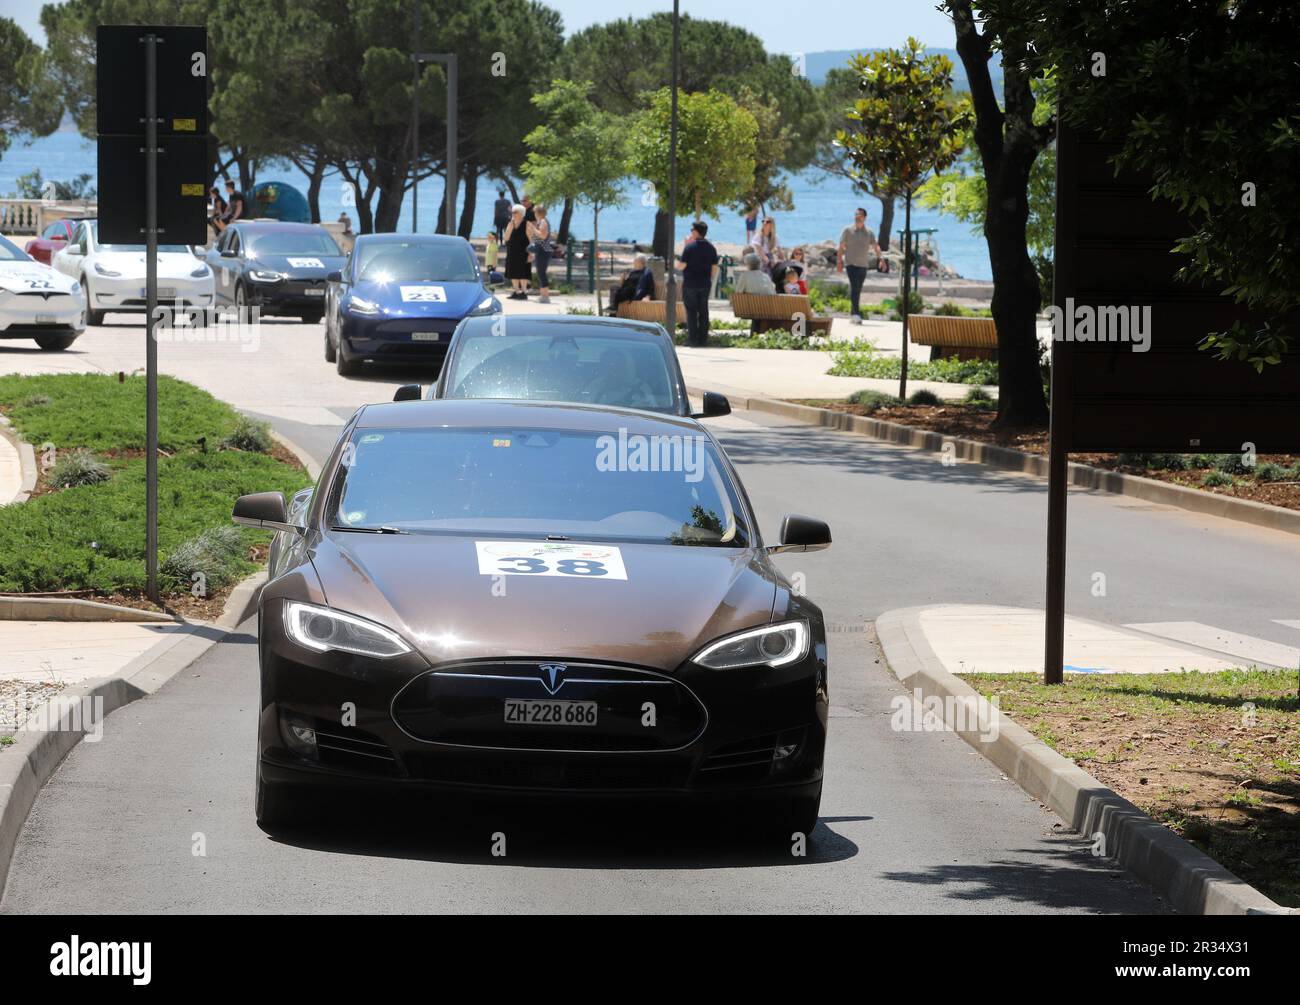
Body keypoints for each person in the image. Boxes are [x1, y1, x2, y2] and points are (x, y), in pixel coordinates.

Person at [676, 220, 719, 347]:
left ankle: (692, 339)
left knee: (691, 312)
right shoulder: (711, 248)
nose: (691, 233)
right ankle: (703, 339)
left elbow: (681, 266)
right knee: (703, 311)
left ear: (696, 232)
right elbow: (714, 268)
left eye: (692, 230)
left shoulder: (689, 247)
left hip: (690, 284)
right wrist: (708, 278)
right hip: (705, 283)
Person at [837, 206, 882, 324]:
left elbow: (875, 246)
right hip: (850, 264)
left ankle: (853, 314)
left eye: (860, 215)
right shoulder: (847, 230)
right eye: (856, 215)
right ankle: (856, 314)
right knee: (855, 286)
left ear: (865, 218)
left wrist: (880, 258)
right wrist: (839, 261)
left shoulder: (869, 232)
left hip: (863, 265)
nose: (857, 217)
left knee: (857, 289)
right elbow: (841, 246)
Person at [502, 203, 531, 299]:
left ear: (521, 213)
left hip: (524, 252)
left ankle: (523, 292)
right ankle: (516, 291)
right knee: (513, 271)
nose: (513, 214)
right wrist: (509, 227)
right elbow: (506, 238)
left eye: (515, 212)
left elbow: (531, 239)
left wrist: (531, 253)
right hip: (512, 251)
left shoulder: (526, 224)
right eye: (512, 212)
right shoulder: (510, 224)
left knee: (523, 272)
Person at [526, 203, 553, 304]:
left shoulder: (543, 222)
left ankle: (545, 296)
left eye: (535, 212)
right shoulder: (540, 222)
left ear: (538, 212)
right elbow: (536, 237)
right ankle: (543, 295)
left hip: (544, 250)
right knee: (540, 272)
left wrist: (533, 229)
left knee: (541, 272)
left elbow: (543, 235)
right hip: (541, 250)